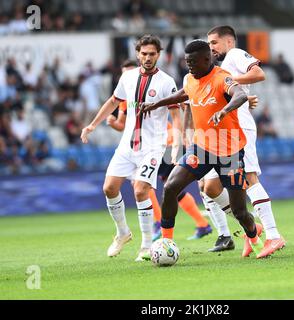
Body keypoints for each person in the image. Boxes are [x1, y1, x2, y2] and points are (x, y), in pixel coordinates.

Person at [140, 39, 265, 257]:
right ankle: (166, 243)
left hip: (230, 152)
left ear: (206, 59)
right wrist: (156, 104)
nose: (188, 66)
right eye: (186, 61)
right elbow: (183, 93)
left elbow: (241, 95)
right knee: (170, 187)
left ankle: (253, 235)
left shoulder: (221, 77)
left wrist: (225, 110)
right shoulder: (190, 78)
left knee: (239, 211)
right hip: (202, 148)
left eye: (192, 62)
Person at [80, 35, 179, 262]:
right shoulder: (128, 77)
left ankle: (146, 245)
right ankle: (123, 233)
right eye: (144, 54)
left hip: (153, 146)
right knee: (109, 188)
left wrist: (178, 144)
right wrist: (92, 125)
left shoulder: (166, 81)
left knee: (140, 190)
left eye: (152, 54)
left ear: (158, 55)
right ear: (137, 54)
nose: (147, 58)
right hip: (127, 145)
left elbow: (175, 113)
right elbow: (113, 102)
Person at [202, 26, 285, 259]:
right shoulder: (219, 67)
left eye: (214, 42)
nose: (211, 47)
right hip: (224, 132)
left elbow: (259, 74)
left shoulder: (235, 55)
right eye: (209, 43)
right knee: (211, 187)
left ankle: (273, 234)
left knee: (250, 179)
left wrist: (227, 81)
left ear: (229, 42)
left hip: (241, 129)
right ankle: (252, 233)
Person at [107, 61, 212, 242]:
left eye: (130, 72)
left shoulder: (155, 85)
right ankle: (201, 224)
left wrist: (113, 122)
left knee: (153, 186)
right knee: (159, 186)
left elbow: (174, 112)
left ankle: (162, 223)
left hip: (163, 143)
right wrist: (113, 123)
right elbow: (124, 126)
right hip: (145, 144)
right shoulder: (126, 99)